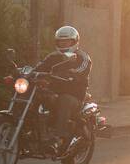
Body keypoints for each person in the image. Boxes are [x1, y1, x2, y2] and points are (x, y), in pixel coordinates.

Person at [36, 25, 92, 154]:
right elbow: (40, 67)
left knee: (64, 100)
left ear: (74, 42)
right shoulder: (53, 56)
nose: (63, 44)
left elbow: (83, 69)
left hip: (75, 94)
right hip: (54, 91)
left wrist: (72, 73)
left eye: (66, 41)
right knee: (37, 96)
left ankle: (57, 138)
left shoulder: (82, 57)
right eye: (61, 41)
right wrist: (26, 72)